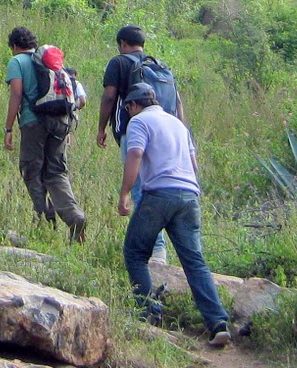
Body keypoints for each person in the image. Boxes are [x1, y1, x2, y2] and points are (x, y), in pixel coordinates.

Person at [116, 82, 230, 347]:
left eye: (128, 108)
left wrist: (124, 193)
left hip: (160, 195)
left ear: (133, 105)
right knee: (195, 261)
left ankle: (148, 315)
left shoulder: (139, 121)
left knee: (135, 253)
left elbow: (135, 154)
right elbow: (193, 161)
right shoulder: (178, 124)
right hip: (189, 195)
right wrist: (195, 189)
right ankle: (218, 323)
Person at [96, 25, 185, 266]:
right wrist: (182, 132)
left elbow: (109, 96)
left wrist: (101, 127)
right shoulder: (159, 66)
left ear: (123, 43)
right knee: (156, 187)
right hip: (166, 135)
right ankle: (162, 248)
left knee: (139, 189)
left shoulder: (119, 63)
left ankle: (155, 251)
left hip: (133, 131)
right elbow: (177, 103)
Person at [4, 25, 87, 241]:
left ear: (14, 46)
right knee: (56, 172)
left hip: (34, 122)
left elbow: (16, 95)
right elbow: (80, 99)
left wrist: (9, 128)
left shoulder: (17, 62)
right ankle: (74, 216)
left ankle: (44, 218)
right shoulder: (51, 63)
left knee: (31, 169)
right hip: (62, 122)